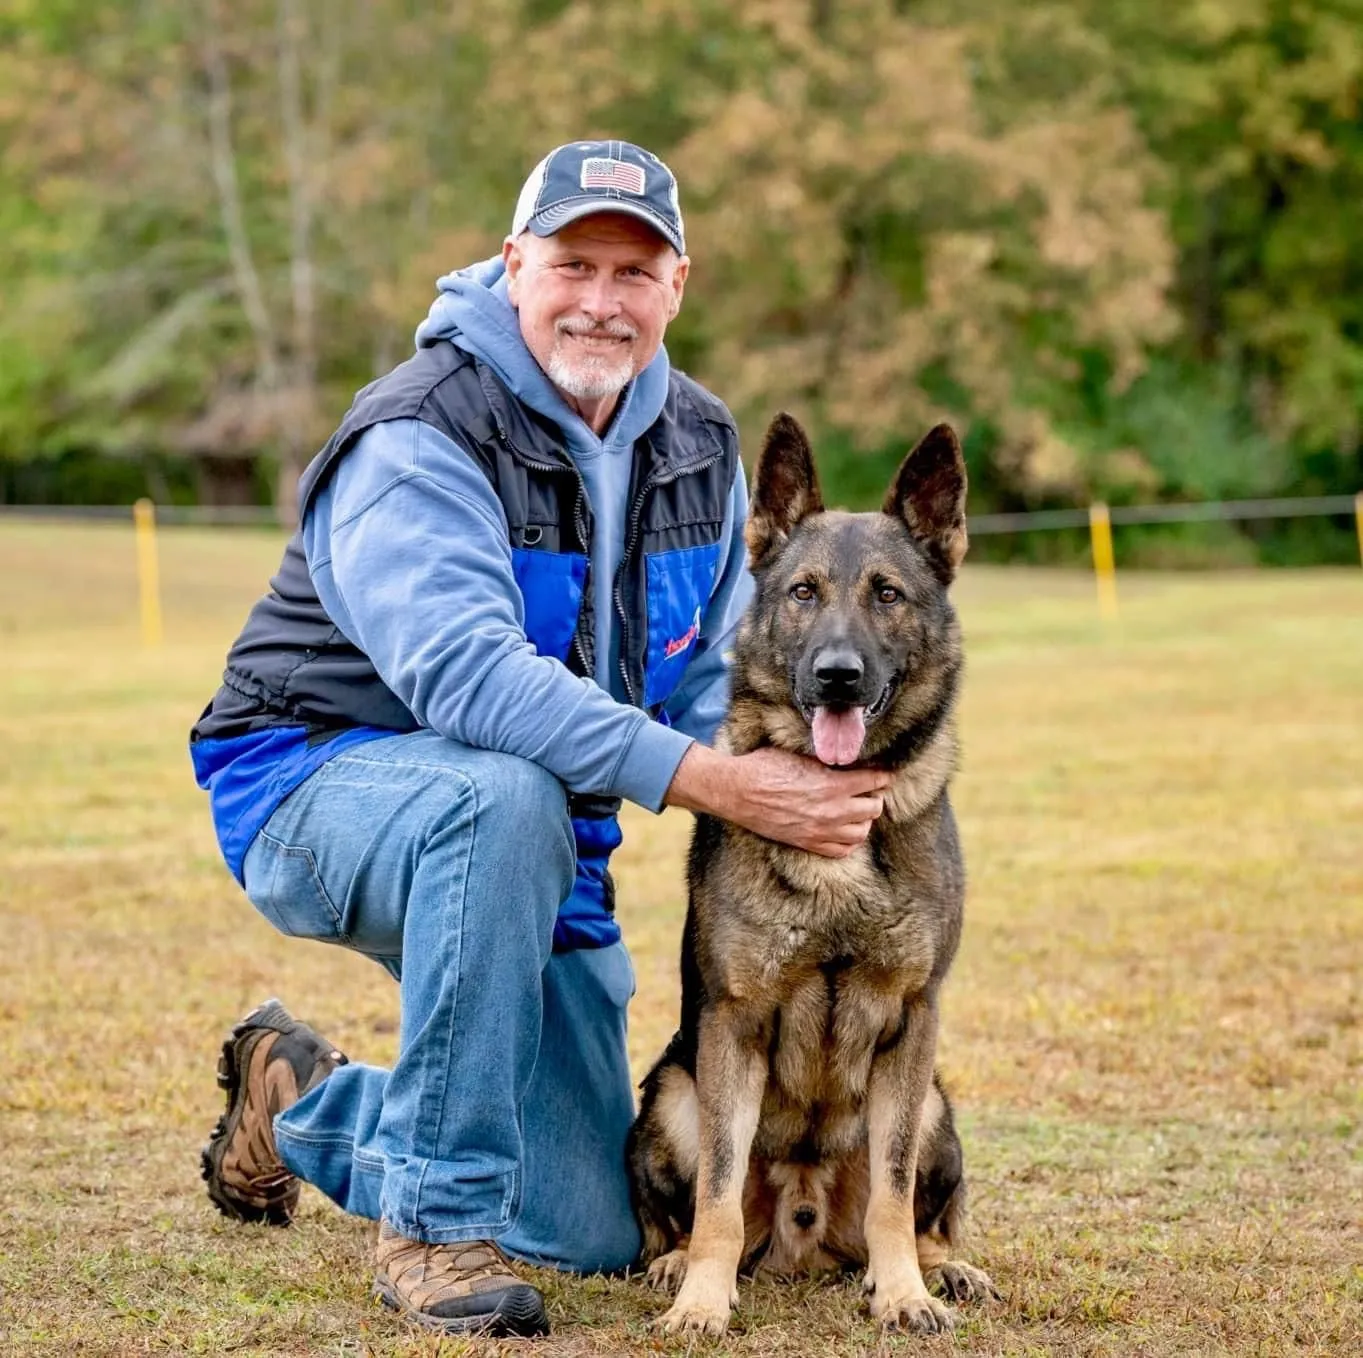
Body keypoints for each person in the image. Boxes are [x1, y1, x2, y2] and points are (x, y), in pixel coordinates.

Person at [191, 139, 889, 1339]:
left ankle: (297, 1094)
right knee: (499, 791)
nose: (601, 300)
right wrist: (719, 783)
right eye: (573, 262)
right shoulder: (419, 429)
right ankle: (428, 1230)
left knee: (591, 1222)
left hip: (542, 850)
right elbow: (468, 679)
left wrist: (820, 776)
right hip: (311, 785)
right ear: (514, 264)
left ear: (679, 284)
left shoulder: (699, 445)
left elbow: (718, 672)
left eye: (635, 269)